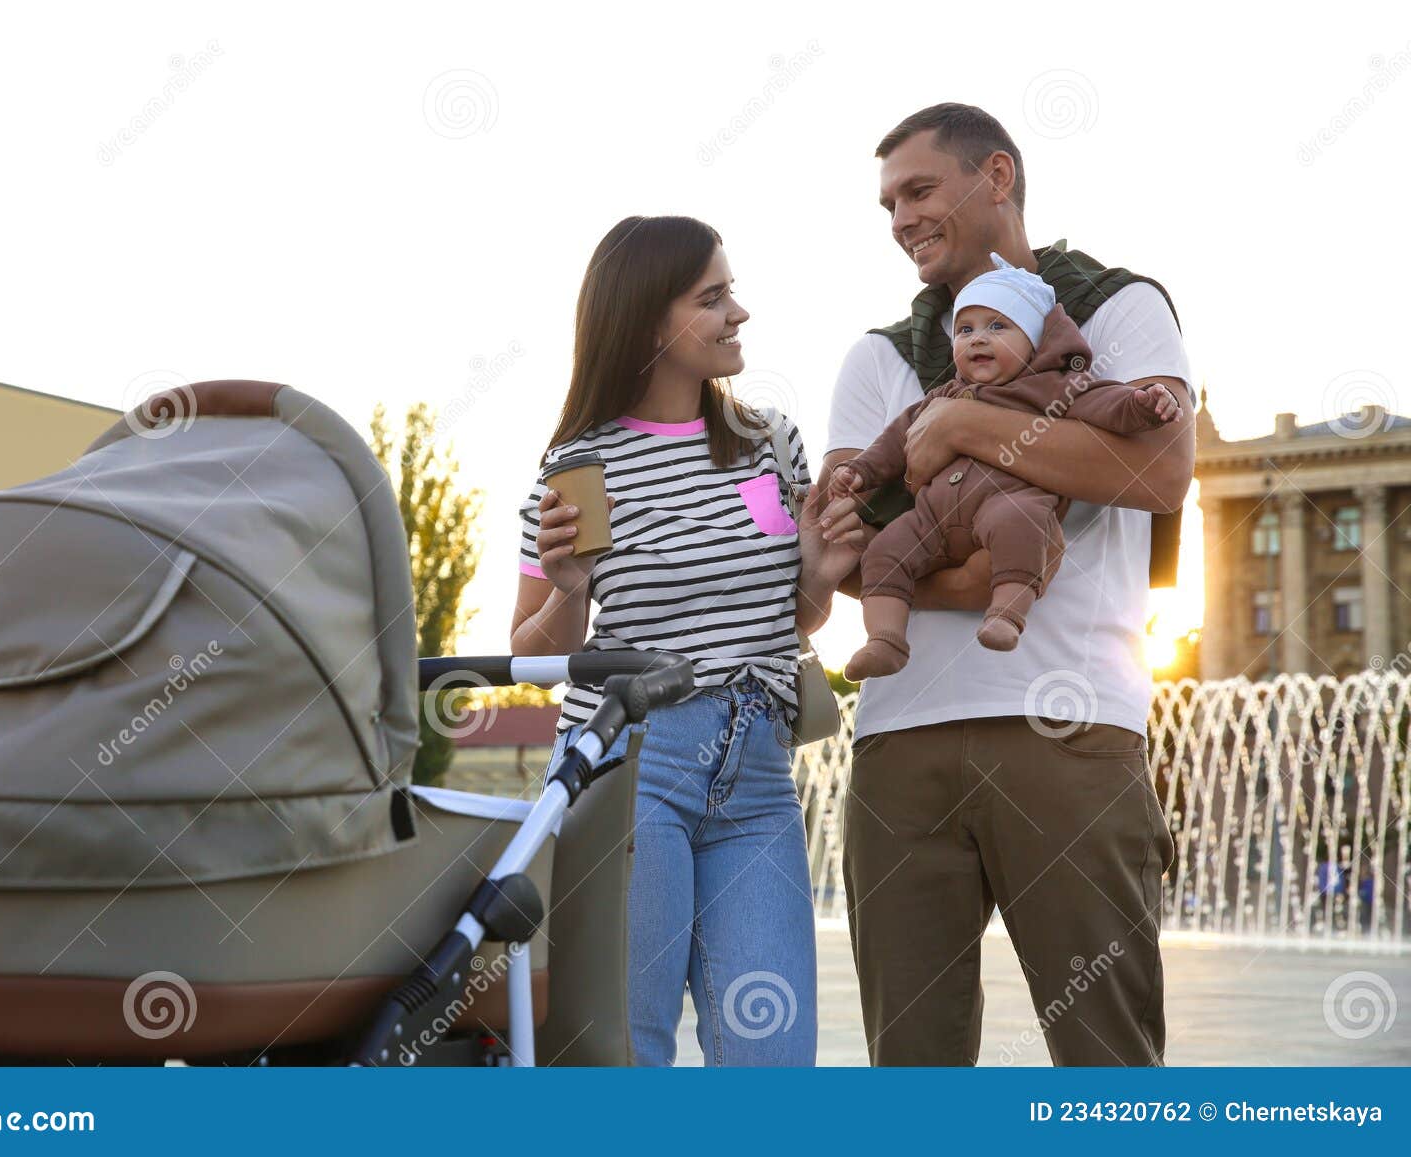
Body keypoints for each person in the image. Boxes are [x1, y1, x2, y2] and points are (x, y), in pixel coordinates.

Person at [808, 103, 1192, 1066]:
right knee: (914, 1071)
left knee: (1112, 1066)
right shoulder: (880, 356)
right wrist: (976, 576)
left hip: (1069, 724)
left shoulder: (1118, 308)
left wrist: (969, 429)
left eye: (919, 190)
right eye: (888, 202)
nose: (900, 217)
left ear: (998, 177)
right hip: (899, 744)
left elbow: (1160, 471)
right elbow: (844, 547)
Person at [510, 215, 825, 1066]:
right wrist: (571, 587)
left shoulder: (769, 447)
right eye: (713, 297)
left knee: (773, 1055)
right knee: (626, 1048)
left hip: (758, 770)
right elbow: (538, 654)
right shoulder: (579, 468)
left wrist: (825, 570)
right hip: (630, 764)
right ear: (652, 321)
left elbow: (796, 615)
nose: (740, 313)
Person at [820, 254, 1182, 679]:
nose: (977, 339)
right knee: (886, 549)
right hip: (933, 516)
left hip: (1008, 501)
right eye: (965, 330)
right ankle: (885, 639)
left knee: (1021, 526)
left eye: (997, 327)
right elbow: (895, 441)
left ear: (1032, 341)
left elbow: (1104, 403)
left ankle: (1006, 615)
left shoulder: (1050, 387)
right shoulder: (942, 397)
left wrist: (1145, 404)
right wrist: (861, 471)